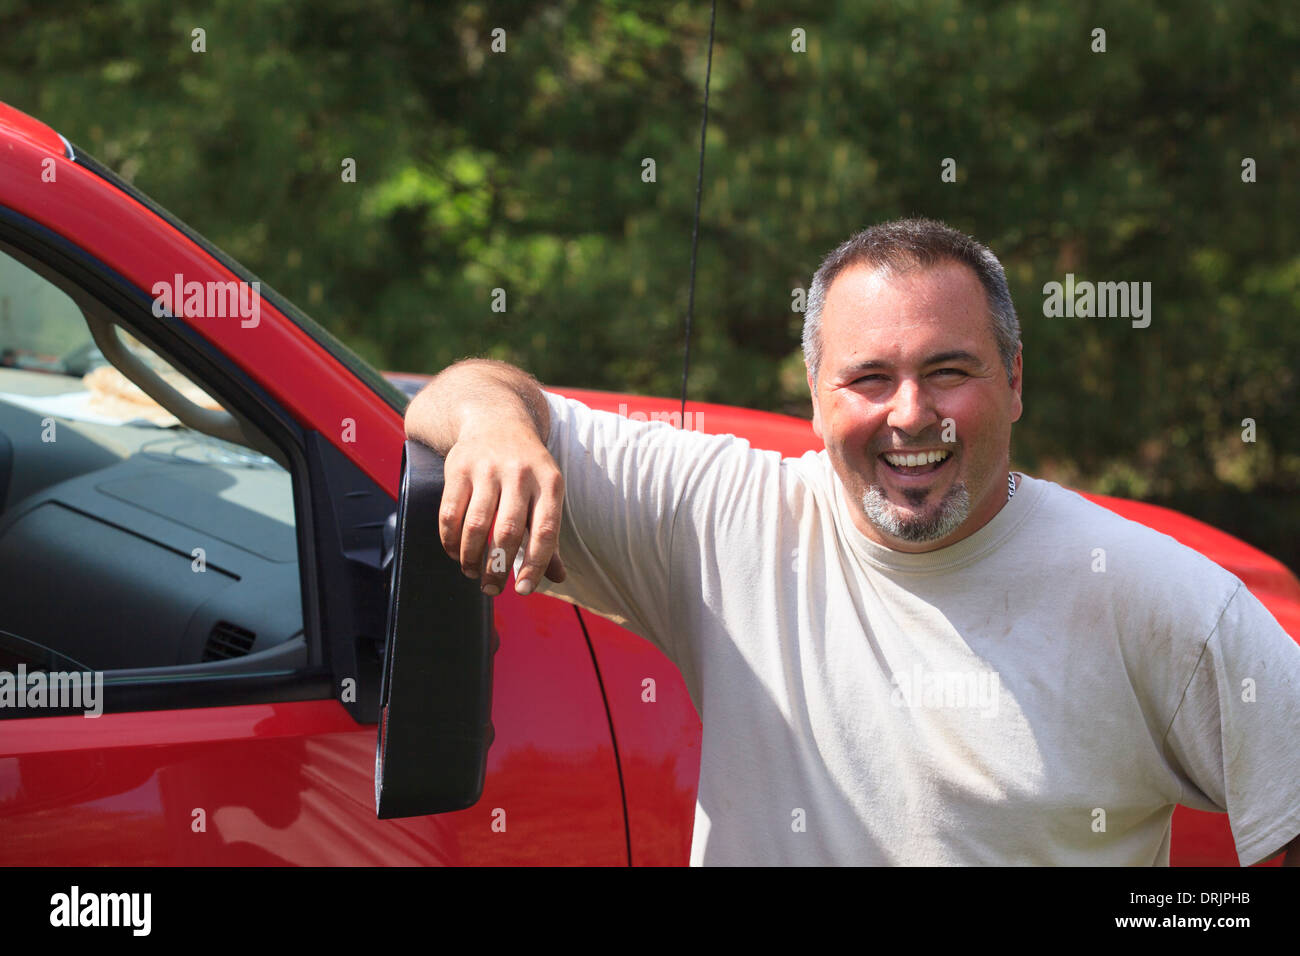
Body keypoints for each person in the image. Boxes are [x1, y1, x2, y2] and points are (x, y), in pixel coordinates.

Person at [404, 217, 1300, 866]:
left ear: (1016, 382)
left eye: (949, 371)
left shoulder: (1159, 596)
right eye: (868, 378)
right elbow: (451, 393)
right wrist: (495, 430)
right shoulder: (724, 515)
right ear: (815, 398)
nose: (910, 414)